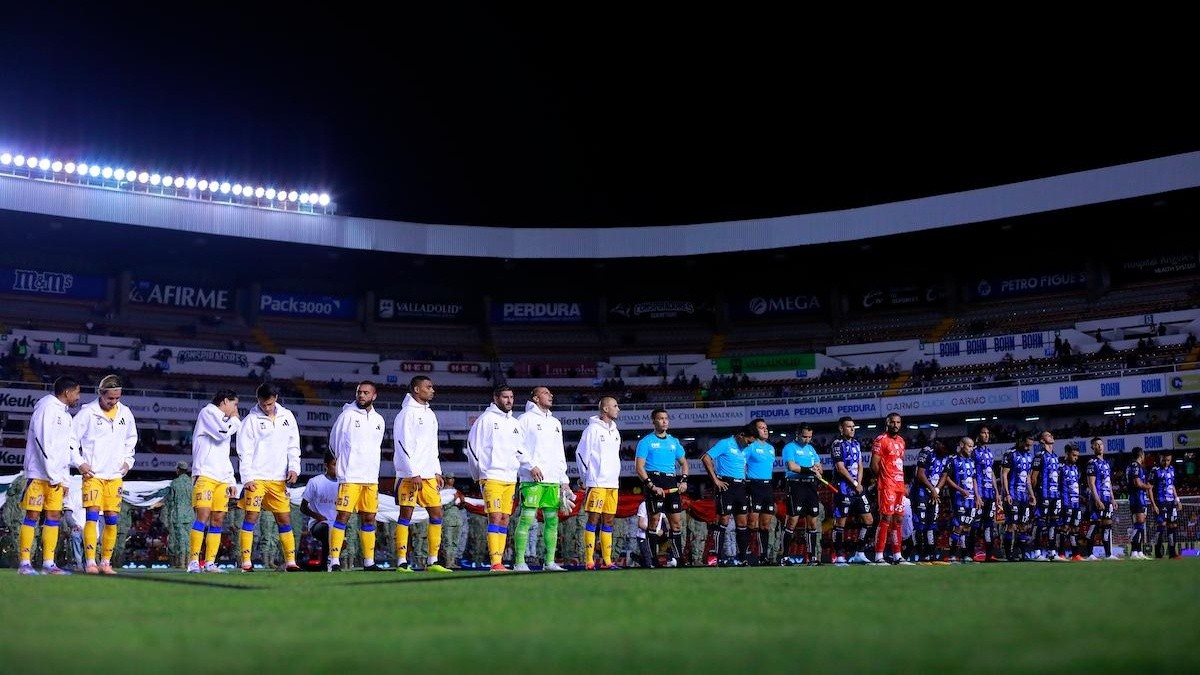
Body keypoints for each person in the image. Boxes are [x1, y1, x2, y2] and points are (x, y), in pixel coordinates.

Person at [72, 374, 137, 575]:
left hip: (115, 476)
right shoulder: (87, 413)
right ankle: (91, 561)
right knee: (91, 517)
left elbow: (131, 440)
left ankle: (105, 562)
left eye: (117, 398)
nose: (114, 402)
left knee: (111, 519)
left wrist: (128, 461)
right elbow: (71, 440)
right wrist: (80, 462)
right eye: (110, 398)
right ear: (101, 394)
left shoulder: (125, 413)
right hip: (93, 475)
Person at [17, 376, 81, 575]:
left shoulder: (66, 415)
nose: (78, 397)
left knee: (54, 516)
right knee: (33, 515)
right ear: (67, 392)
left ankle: (48, 564)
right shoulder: (46, 407)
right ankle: (25, 564)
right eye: (77, 393)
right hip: (38, 474)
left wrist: (64, 479)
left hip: (56, 478)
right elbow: (42, 442)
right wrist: (54, 475)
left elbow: (65, 450)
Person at [234, 382, 301, 572]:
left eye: (270, 404)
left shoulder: (287, 417)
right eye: (263, 404)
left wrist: (294, 468)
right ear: (258, 401)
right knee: (251, 516)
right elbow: (243, 452)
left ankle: (291, 562)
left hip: (279, 478)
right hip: (257, 477)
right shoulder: (250, 420)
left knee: (284, 518)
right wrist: (247, 478)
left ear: (276, 399)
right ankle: (246, 563)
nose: (267, 407)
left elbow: (293, 446)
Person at [392, 375, 451, 573]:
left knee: (437, 514)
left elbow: (432, 447)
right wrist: (413, 471)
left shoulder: (430, 414)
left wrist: (437, 471)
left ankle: (433, 561)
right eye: (428, 387)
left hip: (428, 474)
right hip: (409, 475)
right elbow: (402, 444)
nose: (432, 390)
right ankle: (401, 561)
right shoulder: (406, 413)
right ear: (417, 390)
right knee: (405, 515)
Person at [326, 381, 387, 571]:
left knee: (369, 518)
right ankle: (334, 560)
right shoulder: (347, 416)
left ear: (373, 396)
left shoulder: (379, 420)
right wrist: (346, 465)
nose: (361, 395)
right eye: (359, 392)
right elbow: (333, 444)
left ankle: (369, 562)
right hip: (350, 477)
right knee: (343, 516)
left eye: (366, 393)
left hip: (370, 478)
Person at [467, 384, 525, 571]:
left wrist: (530, 466)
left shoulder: (515, 423)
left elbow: (520, 451)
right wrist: (479, 475)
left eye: (511, 397)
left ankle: (499, 561)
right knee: (495, 516)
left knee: (505, 519)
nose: (509, 401)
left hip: (510, 477)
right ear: (496, 398)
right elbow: (472, 448)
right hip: (491, 475)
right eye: (505, 397)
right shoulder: (486, 420)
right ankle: (495, 562)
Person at [514, 386, 569, 571]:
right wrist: (530, 466)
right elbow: (516, 446)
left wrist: (564, 478)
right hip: (532, 479)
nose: (551, 395)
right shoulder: (524, 419)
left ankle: (550, 562)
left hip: (553, 479)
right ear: (536, 398)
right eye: (546, 393)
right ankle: (519, 562)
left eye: (550, 393)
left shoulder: (555, 422)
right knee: (527, 520)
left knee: (552, 521)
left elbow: (559, 451)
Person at [188, 389, 242, 573]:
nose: (236, 409)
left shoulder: (225, 421)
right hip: (205, 474)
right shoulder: (208, 412)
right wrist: (236, 420)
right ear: (225, 401)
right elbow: (221, 433)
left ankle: (210, 562)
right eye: (235, 405)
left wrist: (231, 480)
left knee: (218, 520)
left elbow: (223, 454)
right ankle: (194, 562)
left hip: (222, 478)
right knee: (202, 516)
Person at [633, 407, 687, 568]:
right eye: (661, 418)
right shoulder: (646, 441)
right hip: (654, 481)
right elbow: (639, 467)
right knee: (654, 522)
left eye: (666, 418)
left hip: (671, 482)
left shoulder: (674, 442)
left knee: (676, 524)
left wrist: (683, 480)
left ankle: (678, 559)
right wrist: (651, 485)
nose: (664, 421)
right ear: (653, 421)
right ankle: (652, 560)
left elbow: (684, 463)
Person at [576, 395, 622, 570]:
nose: (618, 409)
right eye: (615, 406)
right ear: (605, 409)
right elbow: (581, 454)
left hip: (612, 483)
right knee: (593, 520)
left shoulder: (615, 431)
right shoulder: (592, 430)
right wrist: (586, 477)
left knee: (609, 522)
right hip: (596, 482)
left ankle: (607, 561)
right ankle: (589, 560)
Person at [702, 423, 755, 566]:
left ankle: (743, 559)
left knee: (742, 523)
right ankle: (717, 559)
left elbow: (744, 465)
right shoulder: (725, 444)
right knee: (723, 521)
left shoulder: (746, 448)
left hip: (740, 486)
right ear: (741, 435)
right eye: (748, 441)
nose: (749, 445)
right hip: (726, 485)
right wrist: (715, 480)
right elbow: (706, 458)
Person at [829, 416, 874, 565]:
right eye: (849, 426)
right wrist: (855, 483)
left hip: (857, 488)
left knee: (869, 520)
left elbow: (861, 465)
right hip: (843, 489)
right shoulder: (837, 444)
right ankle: (839, 556)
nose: (852, 429)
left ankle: (859, 553)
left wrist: (859, 483)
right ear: (841, 428)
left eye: (853, 426)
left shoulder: (856, 443)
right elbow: (840, 468)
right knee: (840, 523)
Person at [869, 412, 912, 565]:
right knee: (886, 518)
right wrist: (883, 480)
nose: (895, 425)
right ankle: (879, 556)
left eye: (898, 422)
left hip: (899, 485)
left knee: (898, 519)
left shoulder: (901, 441)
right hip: (887, 485)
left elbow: (899, 464)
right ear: (887, 423)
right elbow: (873, 465)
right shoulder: (881, 440)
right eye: (892, 422)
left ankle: (897, 556)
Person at [781, 423, 822, 566]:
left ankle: (812, 558)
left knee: (812, 523)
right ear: (797, 434)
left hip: (811, 486)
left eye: (810, 437)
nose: (807, 440)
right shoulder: (789, 448)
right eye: (804, 436)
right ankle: (785, 557)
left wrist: (817, 470)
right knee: (792, 522)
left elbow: (819, 467)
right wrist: (810, 470)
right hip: (796, 485)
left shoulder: (811, 449)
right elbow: (791, 467)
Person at [909, 439, 948, 563]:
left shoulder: (947, 457)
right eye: (944, 449)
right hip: (920, 492)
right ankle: (919, 553)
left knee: (931, 524)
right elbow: (920, 474)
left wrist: (936, 489)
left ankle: (930, 553)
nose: (945, 452)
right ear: (940, 445)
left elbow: (944, 475)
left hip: (933, 494)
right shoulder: (927, 451)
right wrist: (932, 489)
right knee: (920, 525)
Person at [744, 418, 777, 565]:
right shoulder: (750, 446)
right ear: (754, 430)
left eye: (766, 427)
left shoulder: (771, 448)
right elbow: (742, 463)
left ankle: (764, 556)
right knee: (751, 523)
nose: (765, 430)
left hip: (768, 487)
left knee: (765, 525)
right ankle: (745, 555)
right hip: (753, 486)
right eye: (761, 427)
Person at [942, 436, 979, 563]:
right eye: (969, 446)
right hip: (958, 499)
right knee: (958, 527)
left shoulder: (972, 461)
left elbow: (974, 479)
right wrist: (960, 490)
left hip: (971, 499)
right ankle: (952, 555)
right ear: (962, 445)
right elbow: (946, 478)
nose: (971, 449)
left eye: (973, 446)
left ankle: (964, 555)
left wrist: (978, 496)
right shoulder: (952, 460)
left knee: (967, 527)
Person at [300, 450, 339, 570]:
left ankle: (328, 563)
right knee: (328, 528)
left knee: (335, 529)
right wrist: (318, 516)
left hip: (337, 525)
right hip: (318, 524)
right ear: (326, 466)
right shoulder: (315, 482)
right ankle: (329, 561)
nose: (337, 468)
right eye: (334, 464)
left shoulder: (344, 484)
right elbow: (303, 507)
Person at [999, 433, 1035, 561]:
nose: (1028, 447)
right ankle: (1009, 555)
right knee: (1011, 525)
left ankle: (1022, 555)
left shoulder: (1029, 456)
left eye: (1030, 445)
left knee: (1023, 525)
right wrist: (1006, 493)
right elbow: (1004, 475)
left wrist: (1031, 494)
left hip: (1024, 496)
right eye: (1026, 444)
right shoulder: (1010, 453)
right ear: (1020, 441)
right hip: (1012, 495)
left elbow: (1028, 478)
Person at [1029, 431, 1064, 561]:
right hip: (1044, 494)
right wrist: (1036, 493)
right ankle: (1037, 552)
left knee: (1054, 523)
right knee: (1040, 522)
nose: (1052, 436)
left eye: (1052, 435)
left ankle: (1052, 552)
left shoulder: (1055, 456)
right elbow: (1033, 478)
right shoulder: (1040, 455)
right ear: (1042, 441)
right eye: (1048, 435)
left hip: (1055, 494)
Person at [1084, 436, 1117, 560]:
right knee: (1095, 525)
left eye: (1101, 444)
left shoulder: (1106, 464)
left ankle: (1108, 554)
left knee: (1107, 525)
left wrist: (1113, 499)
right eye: (1096, 445)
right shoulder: (1092, 463)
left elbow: (1108, 483)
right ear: (1092, 447)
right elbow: (1091, 483)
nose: (1099, 446)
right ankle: (1090, 554)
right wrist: (1097, 500)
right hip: (1097, 499)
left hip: (1107, 499)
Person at [972, 425, 1001, 561]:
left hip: (990, 494)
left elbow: (992, 473)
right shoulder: (973, 452)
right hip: (979, 494)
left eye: (988, 433)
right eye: (983, 433)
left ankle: (989, 555)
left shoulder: (989, 452)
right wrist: (977, 495)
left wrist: (997, 492)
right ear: (978, 435)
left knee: (989, 525)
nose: (986, 435)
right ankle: (970, 554)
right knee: (975, 525)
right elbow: (972, 475)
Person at [1148, 451, 1183, 559]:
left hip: (1171, 502)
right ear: (1160, 458)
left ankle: (1173, 553)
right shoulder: (1155, 470)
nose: (1166, 462)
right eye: (1164, 460)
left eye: (1168, 460)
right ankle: (1158, 553)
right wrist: (1153, 504)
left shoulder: (1172, 469)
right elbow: (1149, 488)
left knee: (1173, 526)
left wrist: (1177, 500)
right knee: (1161, 526)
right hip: (1160, 502)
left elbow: (1172, 486)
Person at [163, 460, 195, 568]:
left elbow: (170, 501)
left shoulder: (175, 483)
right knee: (190, 540)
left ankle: (181, 564)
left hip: (178, 515)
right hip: (190, 515)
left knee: (180, 540)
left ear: (178, 470)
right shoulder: (192, 483)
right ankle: (189, 563)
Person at [1125, 447, 1153, 560]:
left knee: (1140, 524)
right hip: (1137, 498)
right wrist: (1148, 486)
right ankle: (1133, 551)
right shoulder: (1135, 466)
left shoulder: (1131, 466)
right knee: (1139, 523)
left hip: (1138, 498)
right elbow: (1137, 483)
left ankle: (1139, 551)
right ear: (1141, 455)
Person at [1058, 444, 1085, 560]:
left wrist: (1079, 496)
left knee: (1075, 528)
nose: (1076, 458)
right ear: (1067, 454)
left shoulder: (1075, 468)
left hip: (1075, 502)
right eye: (1074, 455)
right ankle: (1061, 554)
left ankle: (1075, 554)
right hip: (1065, 502)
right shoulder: (1060, 467)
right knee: (1064, 528)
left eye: (1077, 456)